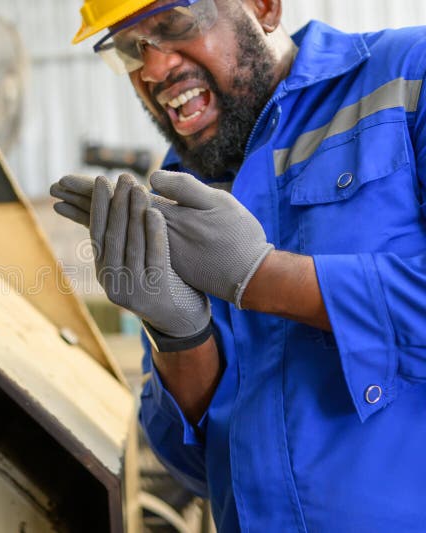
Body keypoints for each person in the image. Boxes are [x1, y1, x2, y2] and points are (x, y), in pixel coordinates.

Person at [50, 0, 426, 530]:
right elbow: (196, 469)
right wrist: (179, 337)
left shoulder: (408, 77)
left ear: (264, 8)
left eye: (175, 23)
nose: (153, 69)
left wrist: (263, 278)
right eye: (130, 47)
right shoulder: (176, 194)